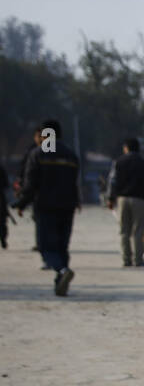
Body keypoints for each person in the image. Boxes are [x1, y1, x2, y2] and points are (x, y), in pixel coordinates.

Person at [13, 118, 80, 295]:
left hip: (46, 206)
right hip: (67, 206)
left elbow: (31, 183)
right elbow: (74, 182)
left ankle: (61, 271)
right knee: (62, 245)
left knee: (46, 246)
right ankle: (60, 282)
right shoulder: (71, 154)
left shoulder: (38, 153)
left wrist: (21, 204)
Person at [107, 137, 144, 267]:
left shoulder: (119, 162)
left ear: (126, 148)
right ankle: (138, 259)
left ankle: (126, 259)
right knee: (138, 230)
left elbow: (112, 180)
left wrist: (110, 198)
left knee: (124, 230)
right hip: (138, 198)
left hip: (122, 199)